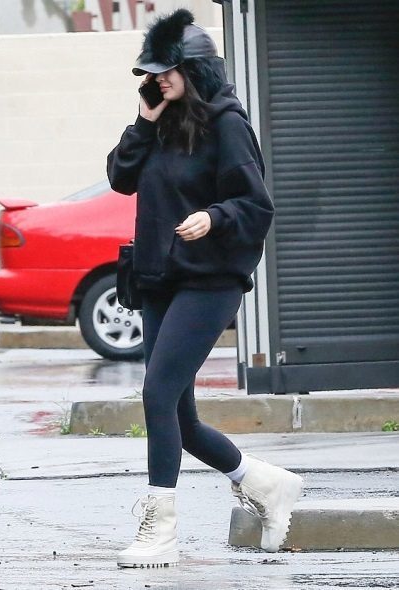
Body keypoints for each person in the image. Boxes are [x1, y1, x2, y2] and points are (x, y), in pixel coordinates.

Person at [107, 8, 303, 569]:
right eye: (153, 72)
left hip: (209, 281)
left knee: (156, 393)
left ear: (195, 69)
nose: (157, 79)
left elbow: (255, 204)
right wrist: (143, 122)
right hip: (162, 280)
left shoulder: (227, 123)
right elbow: (120, 177)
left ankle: (159, 530)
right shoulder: (160, 122)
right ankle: (264, 484)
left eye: (167, 71)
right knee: (181, 418)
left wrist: (214, 217)